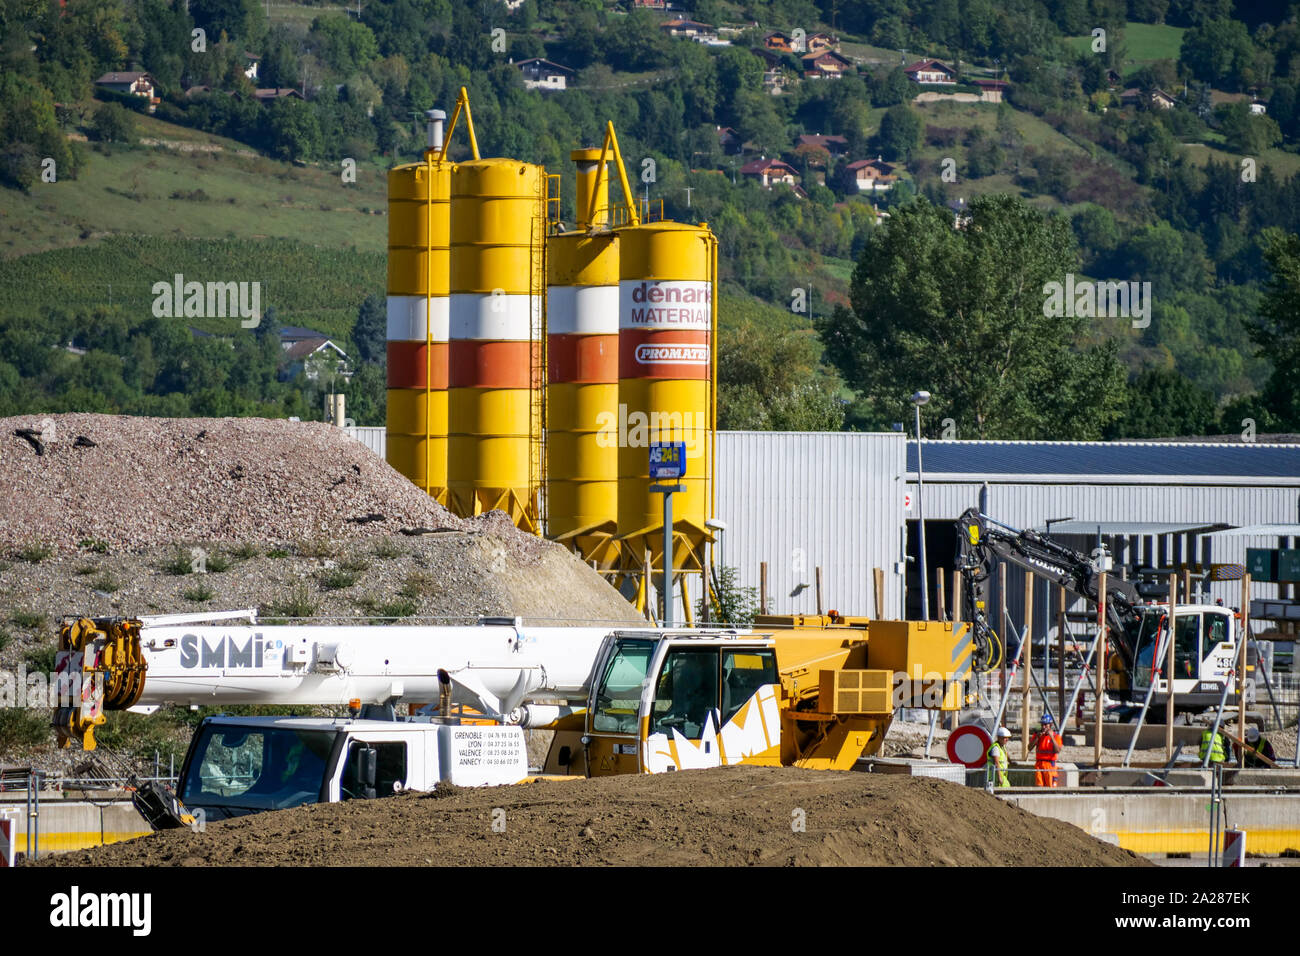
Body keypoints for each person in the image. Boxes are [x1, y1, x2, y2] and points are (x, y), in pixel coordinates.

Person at [1028, 713, 1064, 787]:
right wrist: (1037, 738)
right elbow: (1029, 748)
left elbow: (1057, 750)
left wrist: (1051, 737)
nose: (1043, 727)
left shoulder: (1056, 736)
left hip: (1050, 765)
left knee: (1050, 786)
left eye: (1045, 725)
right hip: (1039, 764)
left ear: (1050, 725)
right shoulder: (1037, 735)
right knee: (1039, 786)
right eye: (1042, 725)